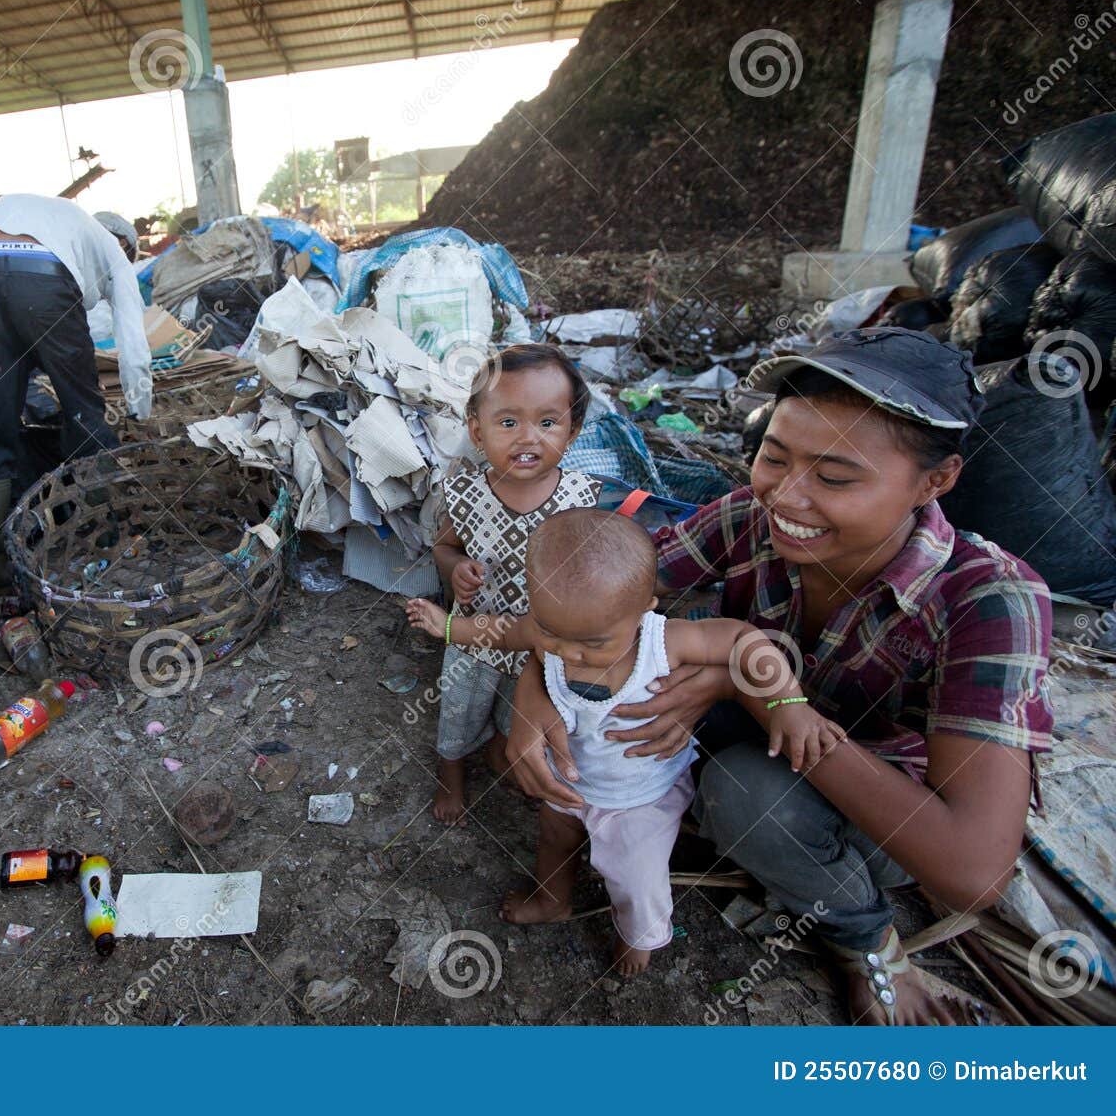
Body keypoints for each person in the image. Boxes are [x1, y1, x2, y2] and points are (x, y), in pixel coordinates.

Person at [502, 328, 1053, 1023]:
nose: (786, 495)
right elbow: (592, 593)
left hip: (873, 810)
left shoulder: (990, 600)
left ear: (935, 480)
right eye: (774, 455)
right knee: (593, 683)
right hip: (760, 725)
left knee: (744, 793)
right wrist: (529, 689)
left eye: (834, 476)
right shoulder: (753, 517)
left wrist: (745, 684)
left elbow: (972, 871)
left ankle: (866, 937)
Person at [407, 508, 845, 974]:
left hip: (642, 796)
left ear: (645, 609)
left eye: (593, 643)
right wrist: (447, 626)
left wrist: (787, 703)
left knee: (636, 878)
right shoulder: (548, 629)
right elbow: (499, 632)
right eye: (552, 633)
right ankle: (553, 899)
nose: (569, 653)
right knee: (554, 839)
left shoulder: (665, 641)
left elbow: (742, 639)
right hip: (574, 778)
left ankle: (640, 935)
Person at [428, 343, 598, 825]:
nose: (528, 437)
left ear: (573, 431)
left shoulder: (579, 499)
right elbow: (445, 546)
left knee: (513, 713)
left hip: (537, 644)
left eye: (547, 423)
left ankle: (502, 752)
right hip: (474, 636)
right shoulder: (466, 493)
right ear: (477, 432)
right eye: (508, 423)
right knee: (459, 712)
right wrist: (455, 569)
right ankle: (451, 773)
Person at [0, 195, 153, 586]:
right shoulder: (114, 252)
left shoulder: (65, 221)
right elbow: (133, 339)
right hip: (42, 275)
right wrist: (139, 405)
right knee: (84, 416)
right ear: (126, 245)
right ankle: (107, 541)